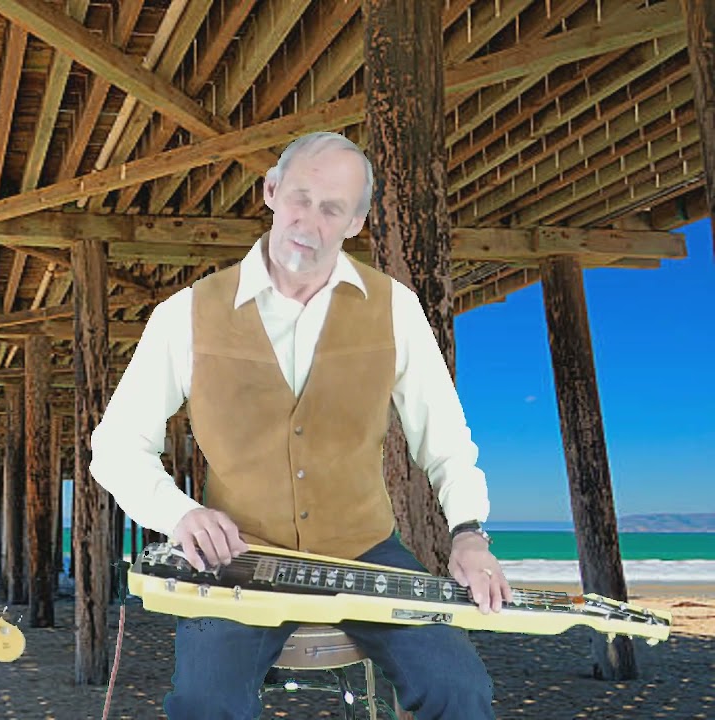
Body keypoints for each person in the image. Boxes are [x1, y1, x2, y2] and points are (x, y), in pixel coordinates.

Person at [89, 131, 512, 720]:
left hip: (366, 550)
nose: (309, 222)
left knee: (461, 691)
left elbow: (445, 439)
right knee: (204, 704)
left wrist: (469, 532)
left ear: (357, 222)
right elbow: (114, 446)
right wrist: (179, 514)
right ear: (270, 191)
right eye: (300, 198)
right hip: (238, 556)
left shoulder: (395, 308)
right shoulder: (185, 314)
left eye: (333, 207)